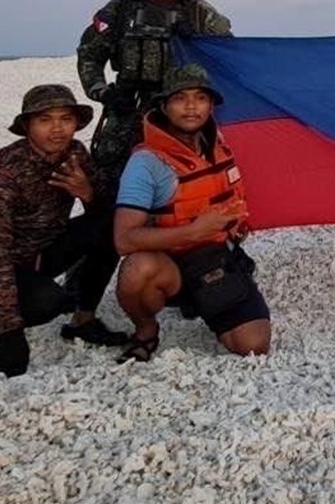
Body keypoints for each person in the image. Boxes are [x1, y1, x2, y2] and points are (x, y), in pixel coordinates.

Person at [0, 84, 130, 378]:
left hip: (38, 251)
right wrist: (11, 335)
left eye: (65, 119)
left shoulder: (75, 153)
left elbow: (108, 210)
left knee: (112, 226)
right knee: (47, 302)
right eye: (45, 120)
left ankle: (83, 320)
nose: (57, 129)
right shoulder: (1, 172)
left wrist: (88, 193)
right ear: (27, 125)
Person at [112, 64, 270, 363]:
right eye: (180, 98)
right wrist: (194, 231)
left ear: (211, 105)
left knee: (254, 346)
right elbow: (124, 240)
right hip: (170, 263)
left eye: (200, 98)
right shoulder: (146, 163)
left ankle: (215, 299)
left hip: (215, 259)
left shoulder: (218, 144)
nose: (190, 107)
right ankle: (146, 329)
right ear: (163, 106)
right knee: (136, 270)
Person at [77, 0, 234, 205]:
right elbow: (89, 54)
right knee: (110, 184)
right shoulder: (122, 8)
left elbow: (229, 54)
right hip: (127, 109)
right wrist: (103, 93)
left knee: (182, 184)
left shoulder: (198, 13)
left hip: (179, 116)